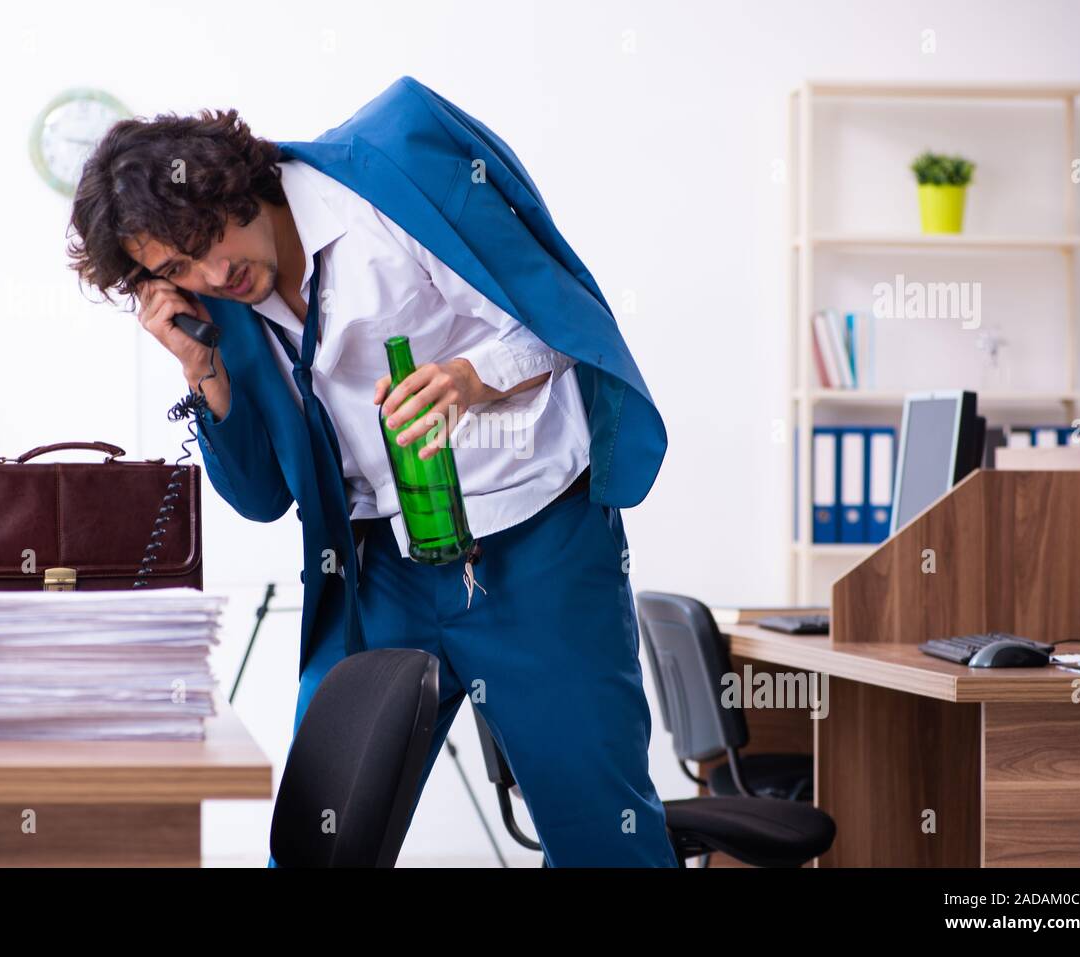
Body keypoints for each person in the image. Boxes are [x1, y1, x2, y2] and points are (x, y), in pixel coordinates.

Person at [66, 77, 676, 867]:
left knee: (601, 836)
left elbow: (558, 323)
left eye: (205, 239)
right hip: (379, 574)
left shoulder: (386, 180)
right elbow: (260, 496)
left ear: (227, 182)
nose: (214, 276)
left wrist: (470, 378)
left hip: (538, 549)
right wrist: (201, 366)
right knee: (320, 843)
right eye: (180, 268)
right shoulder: (224, 317)